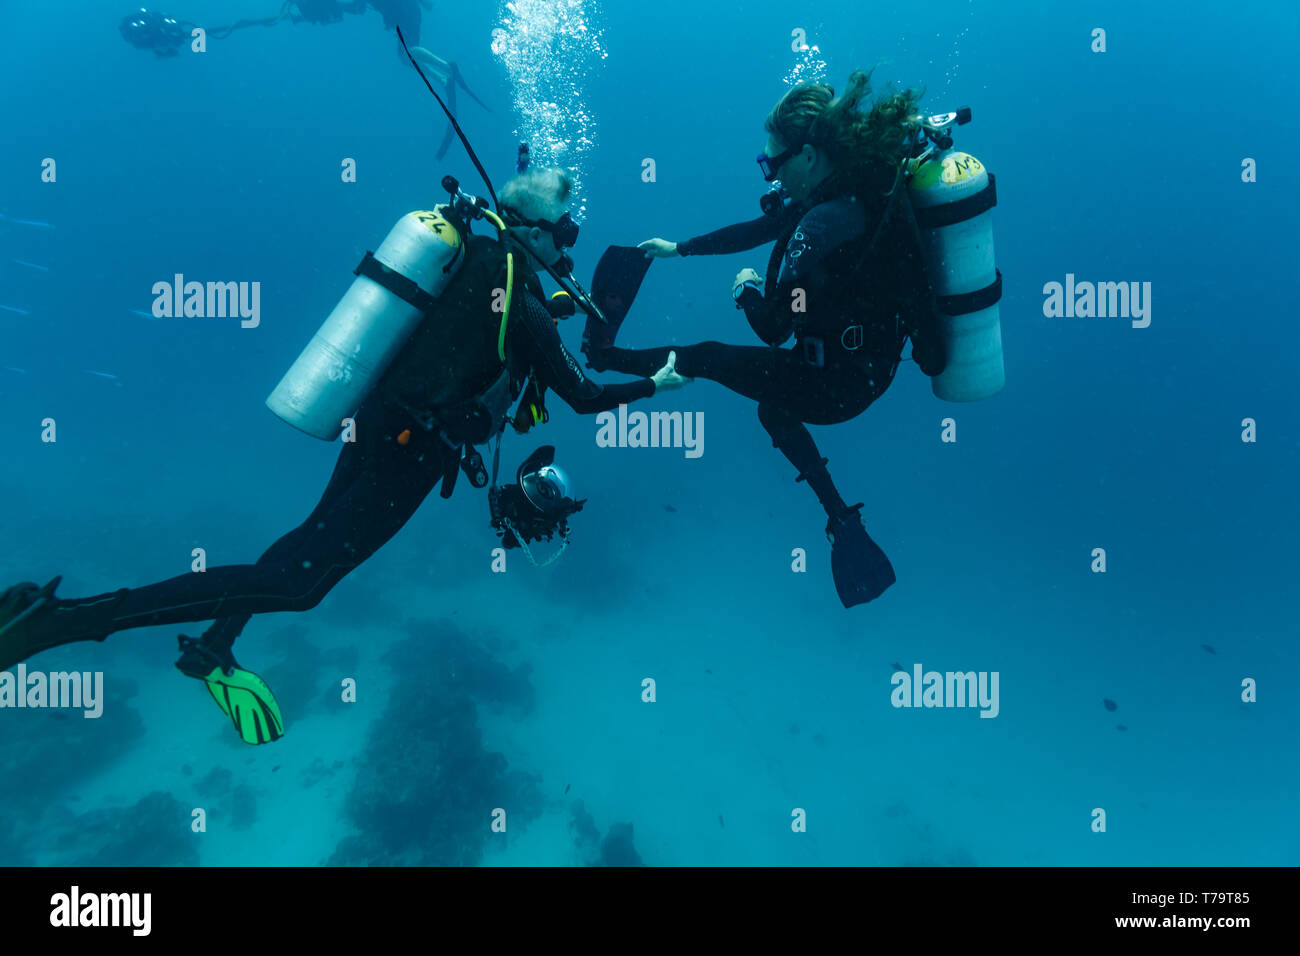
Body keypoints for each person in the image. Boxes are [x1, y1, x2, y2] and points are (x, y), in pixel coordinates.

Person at [0, 167, 690, 743]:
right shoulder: (526, 299)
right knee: (303, 584)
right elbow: (586, 396)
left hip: (377, 419)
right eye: (567, 232)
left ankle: (216, 642)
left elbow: (479, 334)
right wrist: (655, 384)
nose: (570, 246)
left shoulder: (472, 258)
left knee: (307, 538)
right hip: (413, 452)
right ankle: (68, 622)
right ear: (537, 229)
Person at [584, 71, 944, 608]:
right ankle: (841, 519)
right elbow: (760, 230)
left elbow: (774, 327)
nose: (769, 176)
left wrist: (746, 290)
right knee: (772, 409)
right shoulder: (851, 193)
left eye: (771, 163)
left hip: (837, 386)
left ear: (806, 156)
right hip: (869, 366)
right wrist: (679, 248)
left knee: (708, 357)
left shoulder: (823, 224)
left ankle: (605, 358)